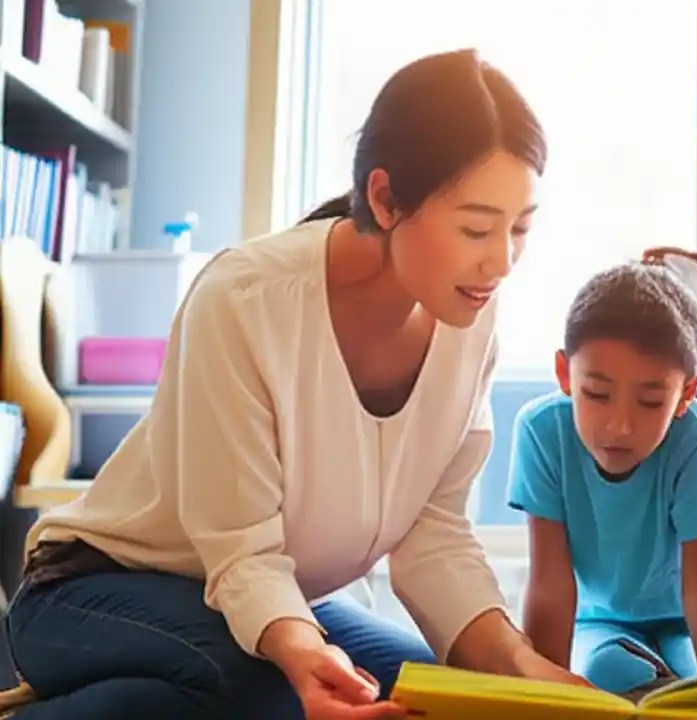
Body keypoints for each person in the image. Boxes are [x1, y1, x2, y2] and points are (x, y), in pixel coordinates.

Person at [0, 49, 583, 720]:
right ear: (386, 198)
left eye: (521, 227)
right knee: (271, 690)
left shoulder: (469, 318)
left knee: (433, 702)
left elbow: (434, 537)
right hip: (93, 590)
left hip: (251, 603)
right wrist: (301, 654)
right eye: (478, 228)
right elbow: (243, 552)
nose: (503, 260)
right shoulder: (245, 298)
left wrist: (523, 669)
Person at [508, 249, 697, 696]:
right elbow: (551, 586)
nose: (620, 426)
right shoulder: (542, 432)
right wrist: (543, 701)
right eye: (597, 394)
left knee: (695, 683)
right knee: (608, 672)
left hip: (695, 620)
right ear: (564, 373)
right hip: (603, 621)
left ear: (687, 392)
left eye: (651, 402)